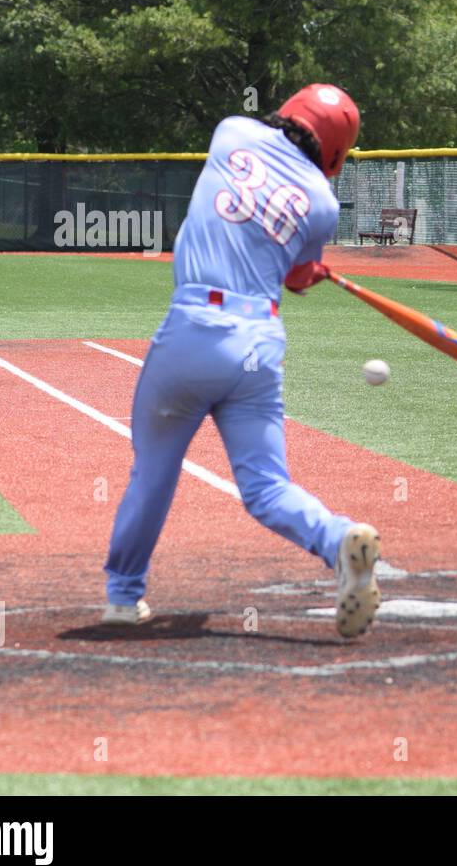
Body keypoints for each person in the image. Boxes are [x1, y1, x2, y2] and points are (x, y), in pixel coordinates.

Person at [99, 83, 384, 639]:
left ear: (290, 111)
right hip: (256, 343)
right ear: (335, 151)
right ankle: (337, 539)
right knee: (266, 486)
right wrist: (312, 270)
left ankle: (123, 595)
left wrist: (301, 267)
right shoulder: (324, 205)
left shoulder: (231, 131)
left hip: (191, 330)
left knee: (154, 474)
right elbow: (297, 277)